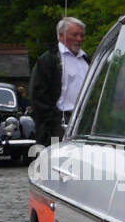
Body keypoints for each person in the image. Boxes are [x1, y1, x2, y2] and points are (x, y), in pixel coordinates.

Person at [29, 16, 89, 145]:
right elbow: (38, 95)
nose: (79, 39)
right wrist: (53, 122)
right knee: (57, 160)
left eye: (82, 35)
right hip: (57, 124)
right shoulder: (48, 60)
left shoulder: (86, 60)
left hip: (84, 123)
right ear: (61, 35)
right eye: (75, 35)